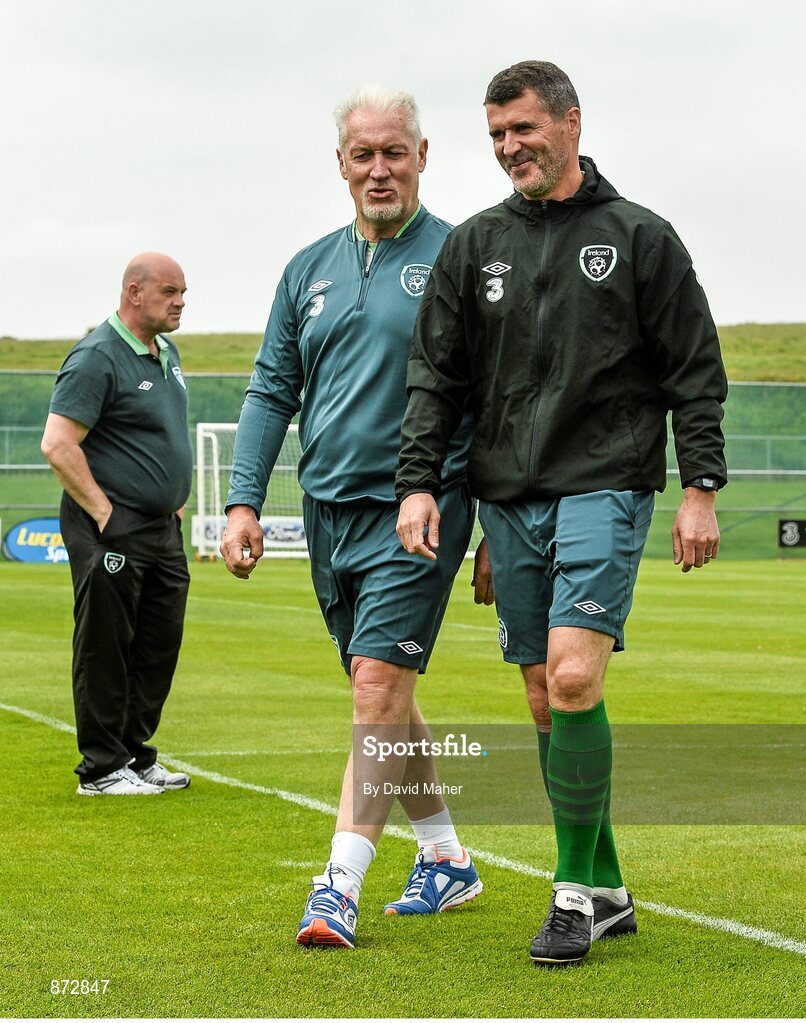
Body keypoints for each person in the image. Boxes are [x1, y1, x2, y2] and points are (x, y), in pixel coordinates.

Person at [396, 60, 728, 966]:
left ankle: (572, 895)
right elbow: (438, 379)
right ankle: (608, 885)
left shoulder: (639, 237)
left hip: (607, 482)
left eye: (524, 129)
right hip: (509, 497)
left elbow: (694, 370)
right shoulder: (475, 245)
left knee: (576, 679)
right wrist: (419, 482)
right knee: (546, 696)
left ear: (571, 123)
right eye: (497, 135)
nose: (510, 148)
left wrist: (700, 487)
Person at [221, 86, 482, 950]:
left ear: (422, 155)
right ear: (340, 162)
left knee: (376, 686)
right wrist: (244, 499)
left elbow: (494, 400)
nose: (379, 169)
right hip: (327, 515)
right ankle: (445, 855)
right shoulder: (307, 269)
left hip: (421, 510)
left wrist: (492, 522)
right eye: (363, 154)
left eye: (394, 152)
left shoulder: (462, 258)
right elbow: (271, 389)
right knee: (387, 692)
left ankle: (338, 885)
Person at [41, 252, 193, 797]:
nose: (181, 302)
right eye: (170, 292)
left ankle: (134, 754)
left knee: (158, 644)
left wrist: (172, 501)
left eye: (183, 292)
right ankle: (102, 768)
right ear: (134, 293)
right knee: (107, 644)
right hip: (112, 525)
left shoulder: (166, 352)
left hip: (161, 526)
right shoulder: (97, 356)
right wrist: (107, 514)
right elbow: (58, 444)